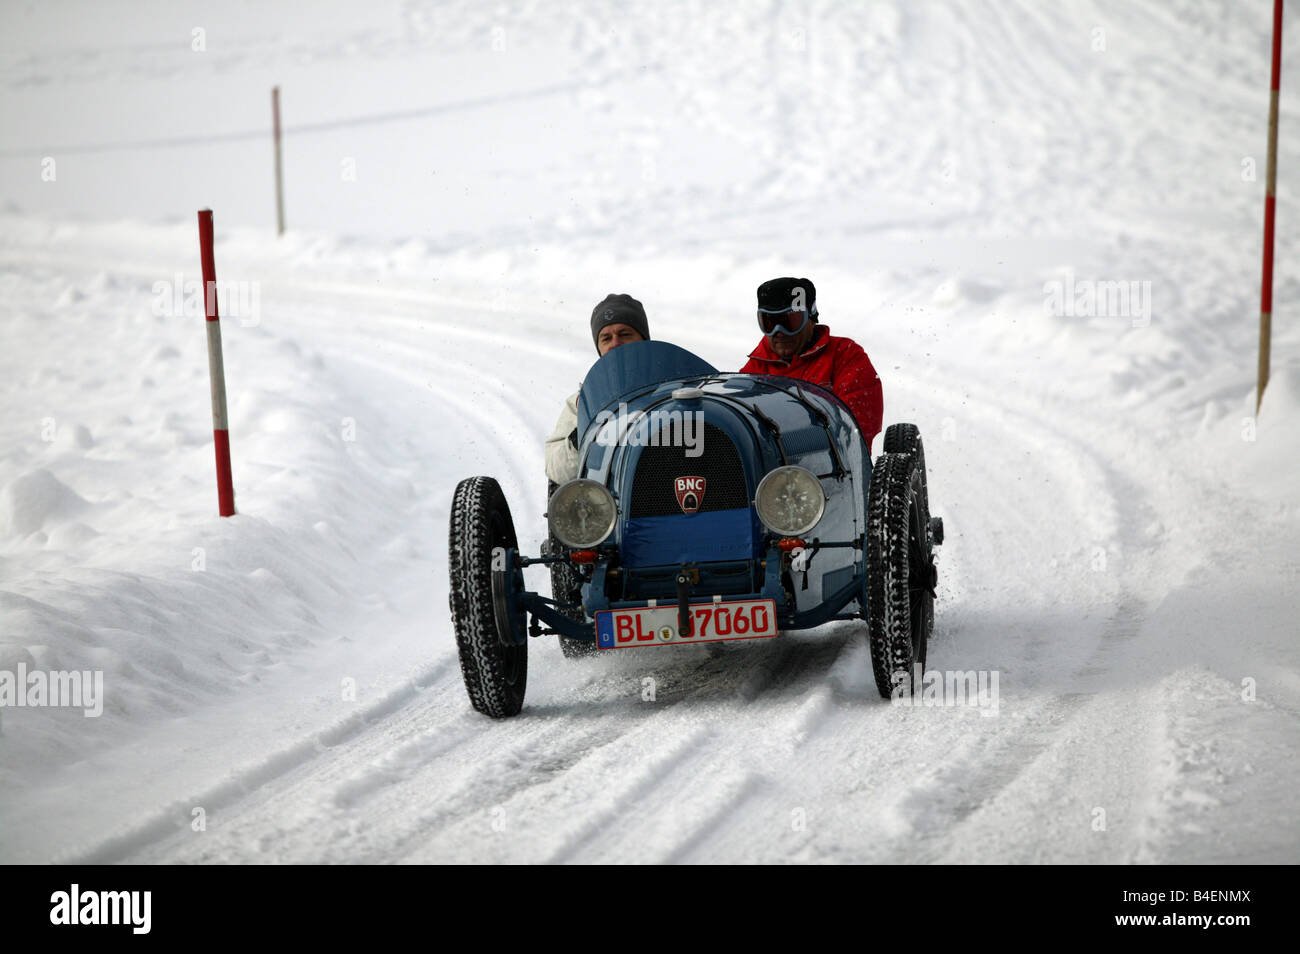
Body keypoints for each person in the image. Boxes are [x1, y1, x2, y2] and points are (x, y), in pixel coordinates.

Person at [741, 277, 883, 452]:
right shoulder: (756, 367)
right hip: (770, 471)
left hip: (830, 468)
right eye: (769, 323)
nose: (779, 332)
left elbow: (854, 428)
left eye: (789, 322)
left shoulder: (845, 356)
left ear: (811, 318)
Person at [544, 293, 650, 486]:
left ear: (644, 339)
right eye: (606, 338)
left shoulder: (678, 387)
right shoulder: (583, 402)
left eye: (625, 334)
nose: (615, 343)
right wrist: (583, 434)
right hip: (610, 506)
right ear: (599, 348)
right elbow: (556, 468)